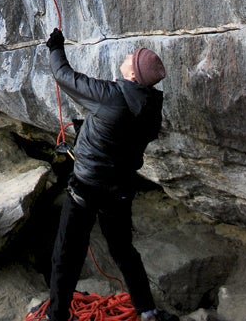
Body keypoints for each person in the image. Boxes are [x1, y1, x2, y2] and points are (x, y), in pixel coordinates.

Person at [41, 28, 179, 321]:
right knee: (123, 250)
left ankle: (57, 316)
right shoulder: (151, 108)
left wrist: (55, 46)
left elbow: (64, 75)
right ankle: (147, 310)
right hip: (119, 189)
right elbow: (121, 133)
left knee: (66, 254)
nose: (128, 56)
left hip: (87, 187)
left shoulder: (111, 96)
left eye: (132, 58)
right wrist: (88, 128)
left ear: (133, 75)